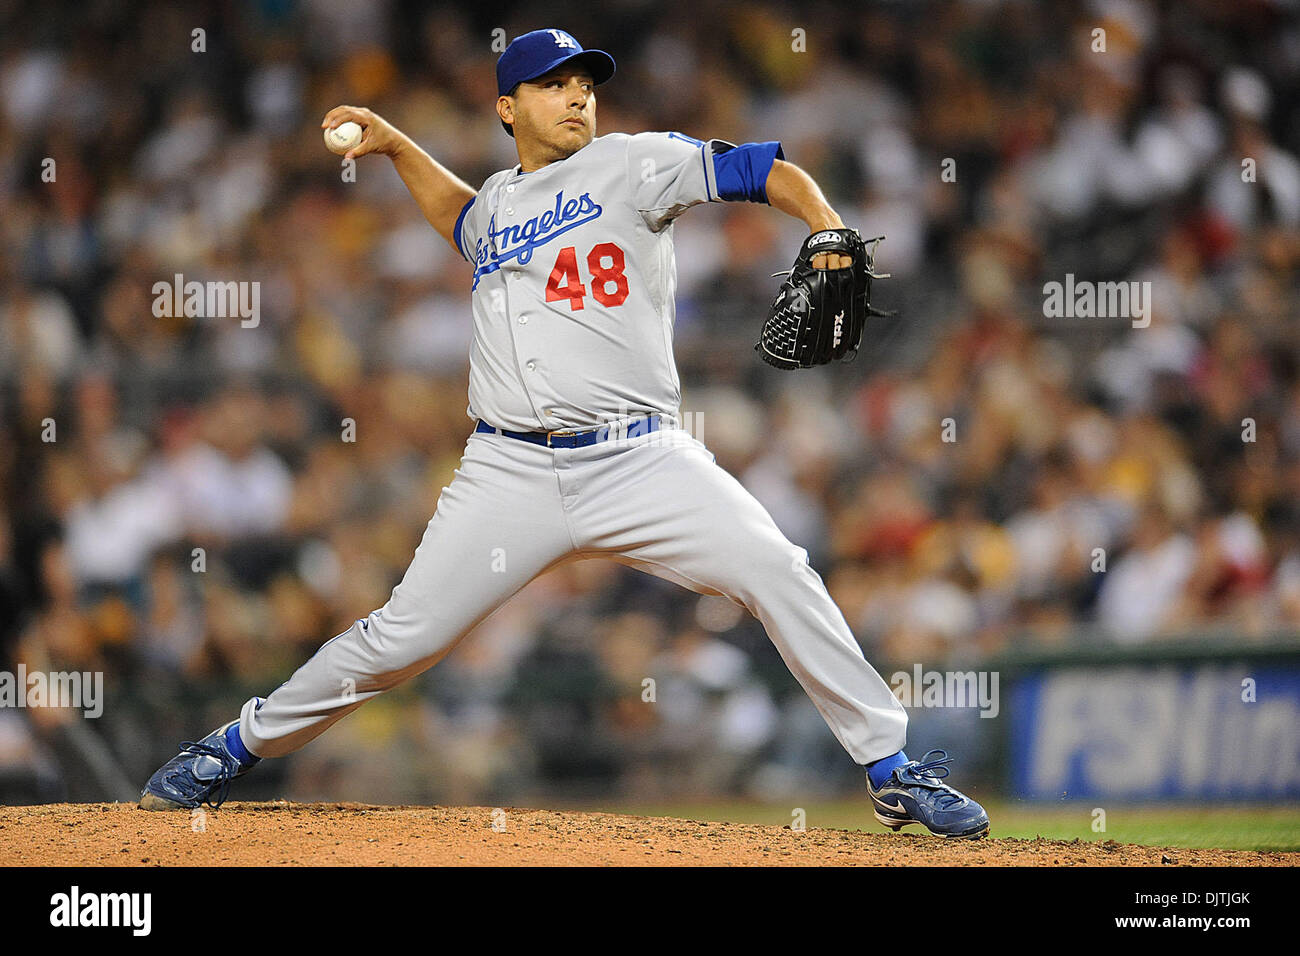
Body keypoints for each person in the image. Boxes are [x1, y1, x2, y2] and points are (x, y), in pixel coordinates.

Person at [140, 28, 989, 839]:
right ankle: (231, 748)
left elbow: (764, 170)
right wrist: (397, 147)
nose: (579, 97)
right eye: (554, 85)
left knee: (777, 569)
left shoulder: (634, 162)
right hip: (507, 468)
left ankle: (892, 768)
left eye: (585, 84)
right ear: (508, 107)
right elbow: (462, 221)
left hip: (641, 458)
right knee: (402, 638)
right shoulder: (502, 204)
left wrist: (827, 225)